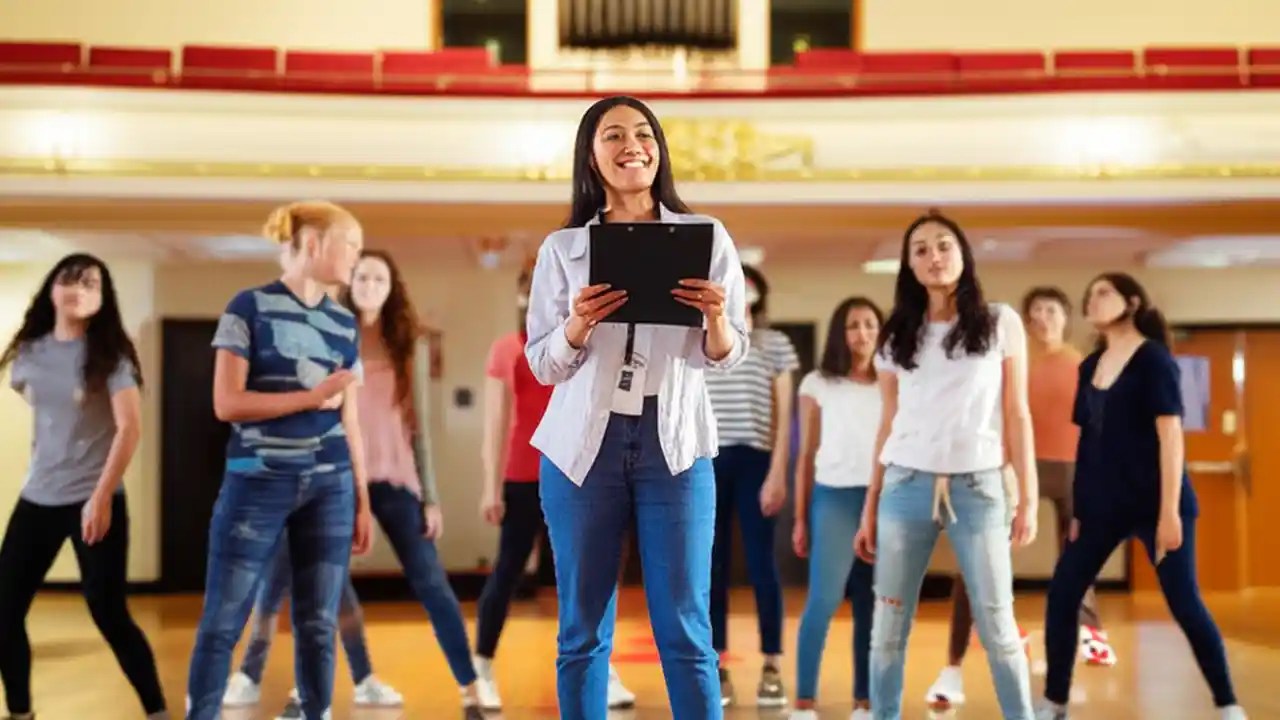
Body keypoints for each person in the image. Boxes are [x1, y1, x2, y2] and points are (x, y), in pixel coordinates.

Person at [524, 94, 748, 720]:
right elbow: (542, 363)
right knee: (582, 630)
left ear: (658, 150)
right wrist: (575, 327)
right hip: (581, 450)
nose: (632, 145)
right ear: (591, 157)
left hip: (672, 444)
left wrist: (716, 317)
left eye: (643, 133)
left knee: (685, 626)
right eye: (613, 135)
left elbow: (728, 356)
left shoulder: (707, 237)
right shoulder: (562, 248)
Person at [185, 200, 372, 720]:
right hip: (256, 484)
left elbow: (350, 420)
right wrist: (310, 399)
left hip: (330, 487)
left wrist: (362, 496)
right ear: (314, 243)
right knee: (224, 619)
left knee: (317, 623)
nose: (358, 256)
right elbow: (228, 403)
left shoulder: (343, 324)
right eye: (351, 244)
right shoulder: (247, 307)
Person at [1033, 273, 1247, 720]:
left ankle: (1228, 703)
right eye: (1089, 295)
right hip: (1102, 509)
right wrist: (1079, 510)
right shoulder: (1090, 366)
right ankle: (1055, 701)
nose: (1092, 300)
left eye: (1103, 293)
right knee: (1064, 592)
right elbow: (1087, 446)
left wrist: (1169, 512)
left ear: (1131, 303)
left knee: (1184, 603)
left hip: (1158, 505)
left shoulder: (1154, 360)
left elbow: (1171, 438)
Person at [853, 209, 1038, 720]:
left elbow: (1017, 413)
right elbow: (887, 424)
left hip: (979, 486)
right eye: (920, 250)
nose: (933, 257)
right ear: (909, 265)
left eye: (943, 245)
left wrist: (1025, 496)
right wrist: (871, 504)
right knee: (888, 629)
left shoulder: (1001, 322)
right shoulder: (896, 335)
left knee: (998, 624)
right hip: (904, 486)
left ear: (963, 255)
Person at [925, 285, 1115, 708]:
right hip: (1010, 469)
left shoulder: (1083, 364)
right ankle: (953, 663)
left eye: (1051, 311)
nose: (1043, 318)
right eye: (1036, 312)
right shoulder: (1014, 362)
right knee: (977, 564)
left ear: (1066, 318)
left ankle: (1090, 630)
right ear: (1026, 321)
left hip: (1072, 469)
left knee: (1077, 553)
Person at [0, 254, 169, 720]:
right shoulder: (29, 353)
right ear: (52, 288)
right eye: (69, 280)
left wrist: (100, 496)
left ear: (102, 299)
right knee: (4, 609)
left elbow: (129, 428)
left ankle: (157, 711)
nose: (78, 289)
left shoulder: (110, 356)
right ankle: (20, 713)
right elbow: (45, 413)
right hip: (38, 496)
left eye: (91, 284)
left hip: (95, 499)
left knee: (108, 612)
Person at [474, 263, 635, 711]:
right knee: (508, 571)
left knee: (591, 577)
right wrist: (491, 487)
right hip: (525, 477)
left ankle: (604, 670)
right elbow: (495, 423)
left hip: (580, 472)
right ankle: (482, 668)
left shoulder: (587, 342)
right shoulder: (509, 349)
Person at [704, 264, 800, 708]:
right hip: (706, 460)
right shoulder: (702, 340)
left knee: (762, 564)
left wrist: (779, 472)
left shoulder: (775, 344)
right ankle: (716, 665)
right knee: (712, 568)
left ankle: (772, 664)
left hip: (758, 459)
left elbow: (785, 417)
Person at [788, 297, 884, 720]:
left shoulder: (895, 381)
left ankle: (865, 700)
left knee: (873, 604)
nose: (862, 334)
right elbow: (805, 455)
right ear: (839, 334)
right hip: (833, 498)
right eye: (852, 326)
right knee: (823, 600)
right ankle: (805, 700)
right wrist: (800, 517)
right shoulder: (817, 383)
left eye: (869, 325)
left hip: (883, 501)